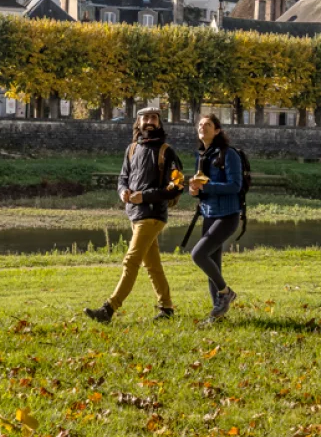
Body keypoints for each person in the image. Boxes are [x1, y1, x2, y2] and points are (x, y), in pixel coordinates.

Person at [85, 108, 184, 322]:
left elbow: (177, 187)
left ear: (159, 123)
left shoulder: (167, 152)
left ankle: (108, 309)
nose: (149, 121)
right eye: (145, 118)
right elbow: (123, 177)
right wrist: (123, 192)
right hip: (135, 214)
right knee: (152, 265)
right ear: (137, 122)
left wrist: (145, 197)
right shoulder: (131, 149)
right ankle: (166, 308)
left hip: (153, 215)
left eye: (153, 118)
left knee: (131, 261)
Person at [186, 114, 243, 323]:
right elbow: (202, 186)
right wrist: (195, 191)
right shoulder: (201, 155)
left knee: (198, 255)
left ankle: (225, 292)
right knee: (213, 265)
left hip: (227, 216)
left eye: (208, 125)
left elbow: (235, 186)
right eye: (200, 124)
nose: (203, 127)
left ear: (217, 130)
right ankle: (217, 315)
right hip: (209, 214)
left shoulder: (229, 155)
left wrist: (206, 187)